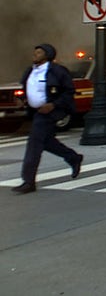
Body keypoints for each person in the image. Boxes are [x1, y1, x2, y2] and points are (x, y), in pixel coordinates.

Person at [11, 44, 83, 194]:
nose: (35, 54)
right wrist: (23, 99)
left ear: (48, 55)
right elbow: (25, 89)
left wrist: (53, 105)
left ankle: (28, 181)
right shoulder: (30, 71)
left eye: (39, 52)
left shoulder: (57, 71)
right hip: (36, 112)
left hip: (50, 112)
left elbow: (69, 91)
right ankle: (73, 158)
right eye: (35, 51)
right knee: (47, 142)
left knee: (34, 143)